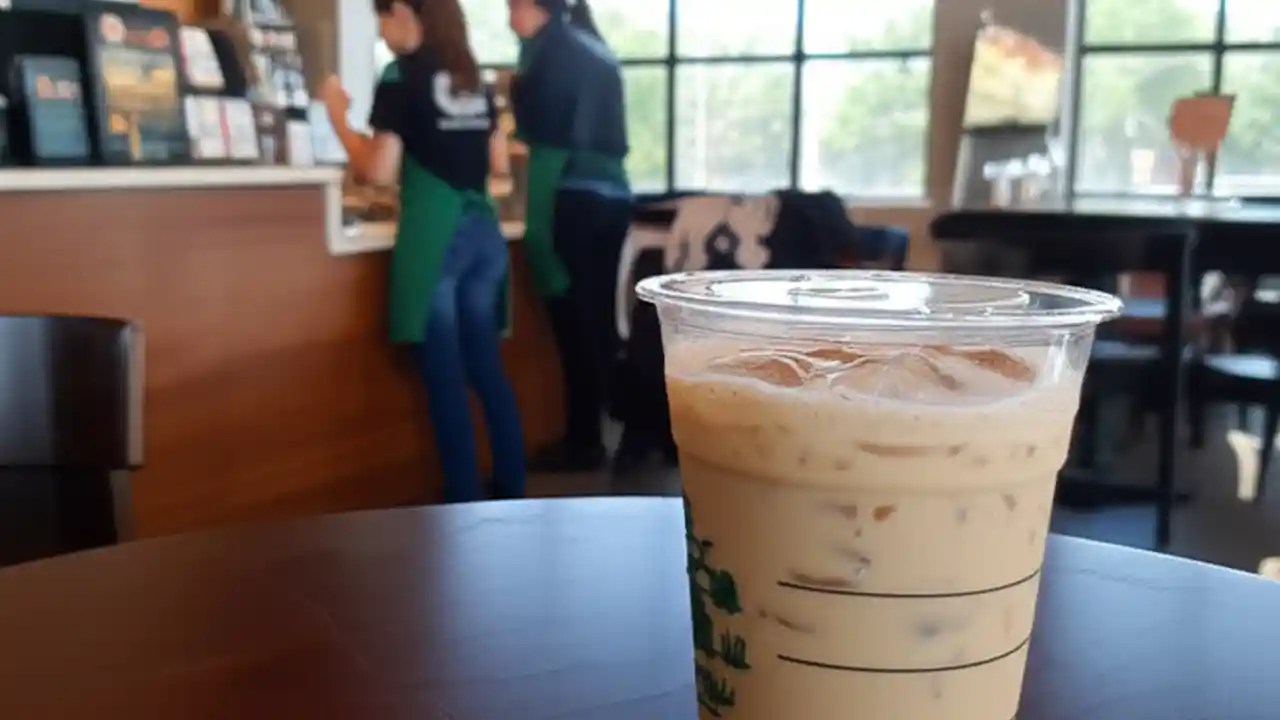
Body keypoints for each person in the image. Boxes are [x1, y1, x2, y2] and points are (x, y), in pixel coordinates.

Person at [322, 0, 525, 503]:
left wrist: (338, 119)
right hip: (482, 230)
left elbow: (378, 170)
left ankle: (463, 502)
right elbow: (495, 161)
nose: (381, 32)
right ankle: (512, 486)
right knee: (486, 369)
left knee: (445, 377)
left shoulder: (400, 74)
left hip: (437, 236)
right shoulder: (469, 74)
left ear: (405, 13)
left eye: (382, 19)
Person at [508, 0, 632, 473]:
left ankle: (583, 441)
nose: (506, 16)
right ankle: (607, 427)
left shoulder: (548, 53)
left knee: (573, 324)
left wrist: (537, 236)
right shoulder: (595, 47)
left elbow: (548, 151)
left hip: (572, 200)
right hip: (615, 196)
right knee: (598, 320)